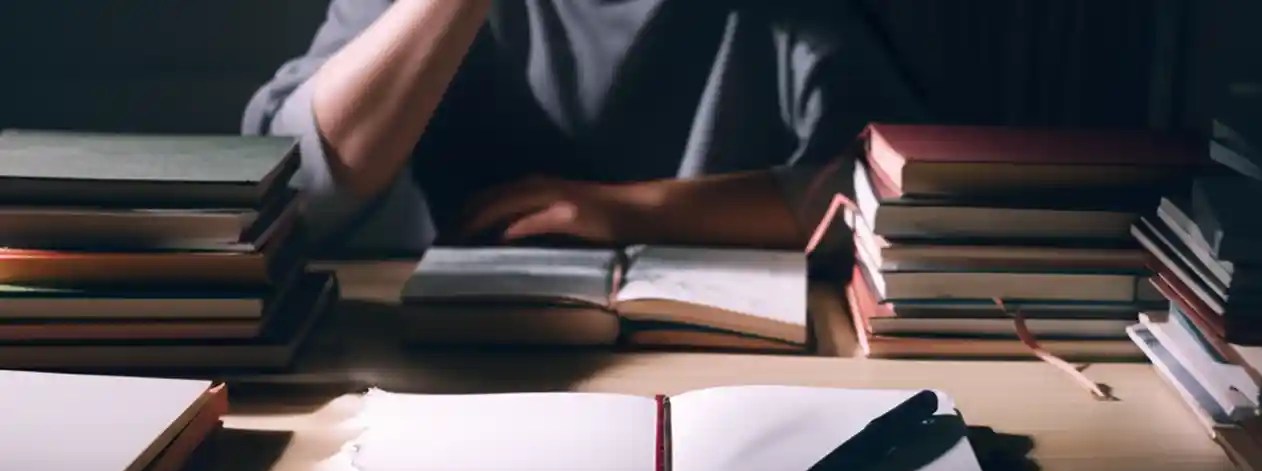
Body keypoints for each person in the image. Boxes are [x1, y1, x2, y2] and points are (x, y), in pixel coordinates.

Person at [243, 0, 924, 254]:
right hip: (452, 362)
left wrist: (630, 212)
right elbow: (289, 195)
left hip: (731, 359)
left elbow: (896, 198)